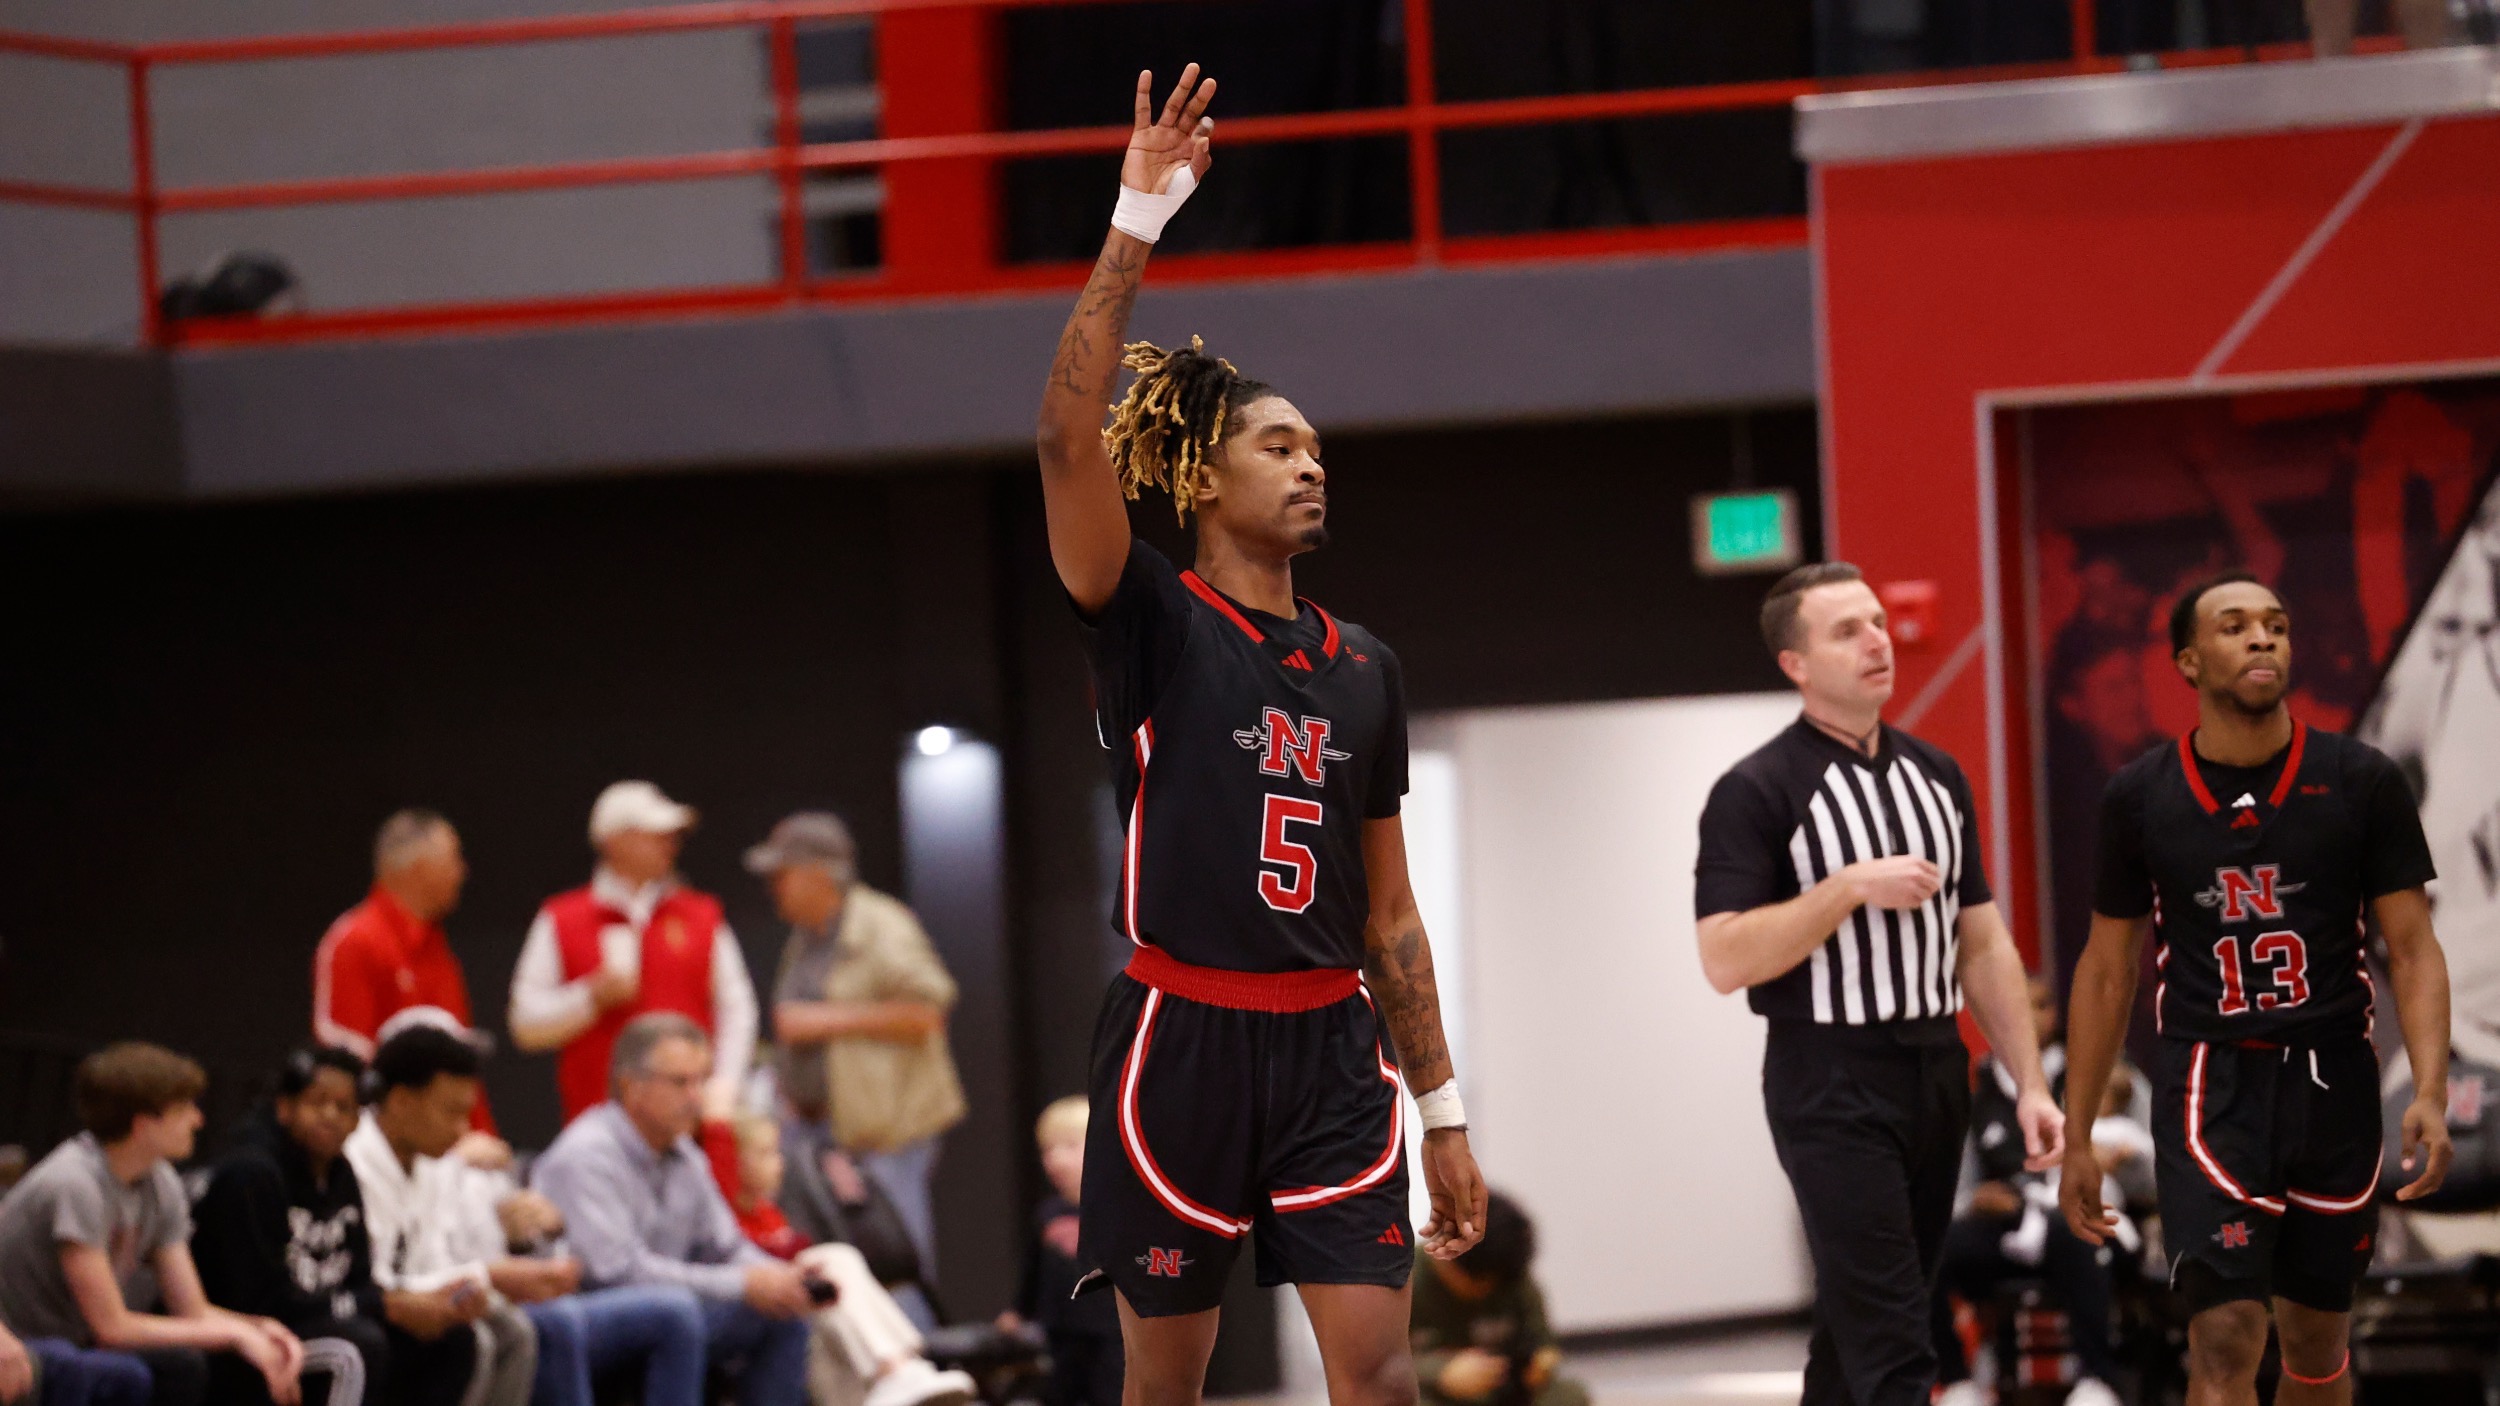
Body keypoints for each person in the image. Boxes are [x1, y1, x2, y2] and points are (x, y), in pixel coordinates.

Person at [1031, 63, 1486, 1406]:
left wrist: (1445, 1112)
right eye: (1280, 446)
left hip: (1332, 1047)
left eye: (1317, 450)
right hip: (1179, 1037)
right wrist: (1137, 217)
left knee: (1382, 1375)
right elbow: (1062, 438)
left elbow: (1390, 916)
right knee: (1167, 1383)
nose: (1310, 464)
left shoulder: (1365, 668)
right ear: (1202, 473)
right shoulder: (1154, 620)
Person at [2061, 571, 2457, 1404]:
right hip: (2212, 1082)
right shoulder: (2139, 797)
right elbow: (2104, 971)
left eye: (2275, 624)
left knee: (2315, 1343)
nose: (2261, 637)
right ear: (2188, 662)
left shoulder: (2361, 779)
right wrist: (2078, 1133)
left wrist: (2428, 1086)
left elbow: (2414, 950)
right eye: (2234, 625)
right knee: (2226, 1332)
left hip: (2333, 1078)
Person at [1693, 562, 2065, 1406]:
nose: (1876, 641)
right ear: (1795, 664)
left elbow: (1983, 943)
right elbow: (1724, 957)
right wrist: (1844, 889)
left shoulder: (1938, 774)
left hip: (1935, 1069)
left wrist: (2031, 1083)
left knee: (1856, 1329)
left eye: (1878, 623)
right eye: (1846, 631)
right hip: (1829, 1075)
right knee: (1898, 1340)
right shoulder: (1755, 790)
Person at [349, 1023, 712, 1406]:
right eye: (452, 1113)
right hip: (373, 1315)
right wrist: (493, 1275)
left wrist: (522, 1246)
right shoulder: (357, 1164)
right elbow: (379, 1284)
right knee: (507, 1331)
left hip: (458, 1298)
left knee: (510, 1329)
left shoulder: (435, 1160)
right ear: (402, 1101)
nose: (462, 1130)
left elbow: (448, 1259)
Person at [529, 1014, 814, 1406]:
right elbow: (617, 1274)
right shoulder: (585, 1157)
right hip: (582, 1316)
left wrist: (780, 1279)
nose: (696, 1097)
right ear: (631, 1087)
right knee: (674, 1311)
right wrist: (742, 1284)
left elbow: (726, 1247)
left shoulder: (684, 1154)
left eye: (701, 1081)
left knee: (782, 1309)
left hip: (672, 1308)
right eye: (680, 1082)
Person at [0, 1044, 305, 1406]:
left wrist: (255, 1328)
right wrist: (235, 1335)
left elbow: (191, 1309)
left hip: (74, 1345)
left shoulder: (159, 1181)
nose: (198, 1120)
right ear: (144, 1124)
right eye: (184, 1109)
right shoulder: (75, 1183)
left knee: (202, 1362)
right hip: (20, 1347)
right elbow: (111, 1328)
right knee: (146, 1372)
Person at [746, 812, 964, 1276]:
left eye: (782, 874)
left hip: (885, 1134)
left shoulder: (881, 926)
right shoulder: (809, 933)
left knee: (894, 1264)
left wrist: (824, 1020)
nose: (773, 887)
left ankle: (910, 1330)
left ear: (817, 874)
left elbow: (929, 1009)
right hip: (823, 1133)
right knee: (838, 1268)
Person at [509, 782, 759, 1122]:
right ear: (614, 842)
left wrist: (724, 1086)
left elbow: (737, 1007)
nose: (670, 844)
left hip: (690, 1125)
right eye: (656, 834)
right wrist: (589, 998)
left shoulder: (701, 914)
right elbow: (524, 1022)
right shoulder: (562, 918)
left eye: (672, 835)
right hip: (597, 1123)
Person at [1930, 979, 2120, 1406]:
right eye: (2018, 1007)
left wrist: (2111, 1158)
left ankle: (2098, 1381)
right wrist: (1977, 1199)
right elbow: (1961, 1186)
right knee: (1930, 1248)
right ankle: (1957, 1381)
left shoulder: (2098, 1072)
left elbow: (2140, 1149)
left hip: (2081, 1211)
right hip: (2006, 1220)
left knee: (2077, 1232)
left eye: (2040, 1006)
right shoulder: (1977, 1093)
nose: (2030, 1018)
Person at [709, 1113, 975, 1406]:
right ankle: (897, 1368)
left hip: (807, 1326)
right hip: (752, 1315)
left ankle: (899, 1370)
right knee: (834, 1262)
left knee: (829, 1308)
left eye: (777, 1152)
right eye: (764, 1154)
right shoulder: (723, 1210)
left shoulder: (769, 1214)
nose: (779, 1163)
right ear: (735, 1161)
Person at [191, 1047, 387, 1406]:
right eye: (317, 1102)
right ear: (285, 1108)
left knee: (439, 1341)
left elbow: (360, 1276)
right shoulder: (251, 1173)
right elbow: (257, 1301)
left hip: (309, 1320)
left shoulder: (342, 1174)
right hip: (241, 1331)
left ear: (358, 1120)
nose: (330, 1115)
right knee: (354, 1350)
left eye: (344, 1107)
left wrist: (364, 1303)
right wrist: (359, 1304)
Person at [312, 810, 502, 1148]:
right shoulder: (354, 941)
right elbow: (346, 1059)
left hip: (446, 1146)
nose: (462, 872)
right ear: (418, 868)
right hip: (381, 1146)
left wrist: (479, 1136)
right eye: (453, 859)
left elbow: (460, 1064)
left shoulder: (438, 950)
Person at [1408, 1193, 1583, 1406]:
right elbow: (1376, 1363)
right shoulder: (1403, 1278)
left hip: (1502, 1393)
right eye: (1478, 1282)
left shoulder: (1510, 1276)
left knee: (1570, 1395)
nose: (1485, 1291)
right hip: (1432, 1392)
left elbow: (1543, 1343)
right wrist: (1439, 1372)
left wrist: (1542, 1364)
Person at [999, 1097, 1119, 1406]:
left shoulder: (1119, 1209)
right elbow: (1033, 1269)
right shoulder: (1047, 1214)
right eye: (1048, 1150)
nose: (1056, 1159)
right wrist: (1018, 1311)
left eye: (1070, 1146)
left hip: (1110, 1329)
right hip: (1060, 1330)